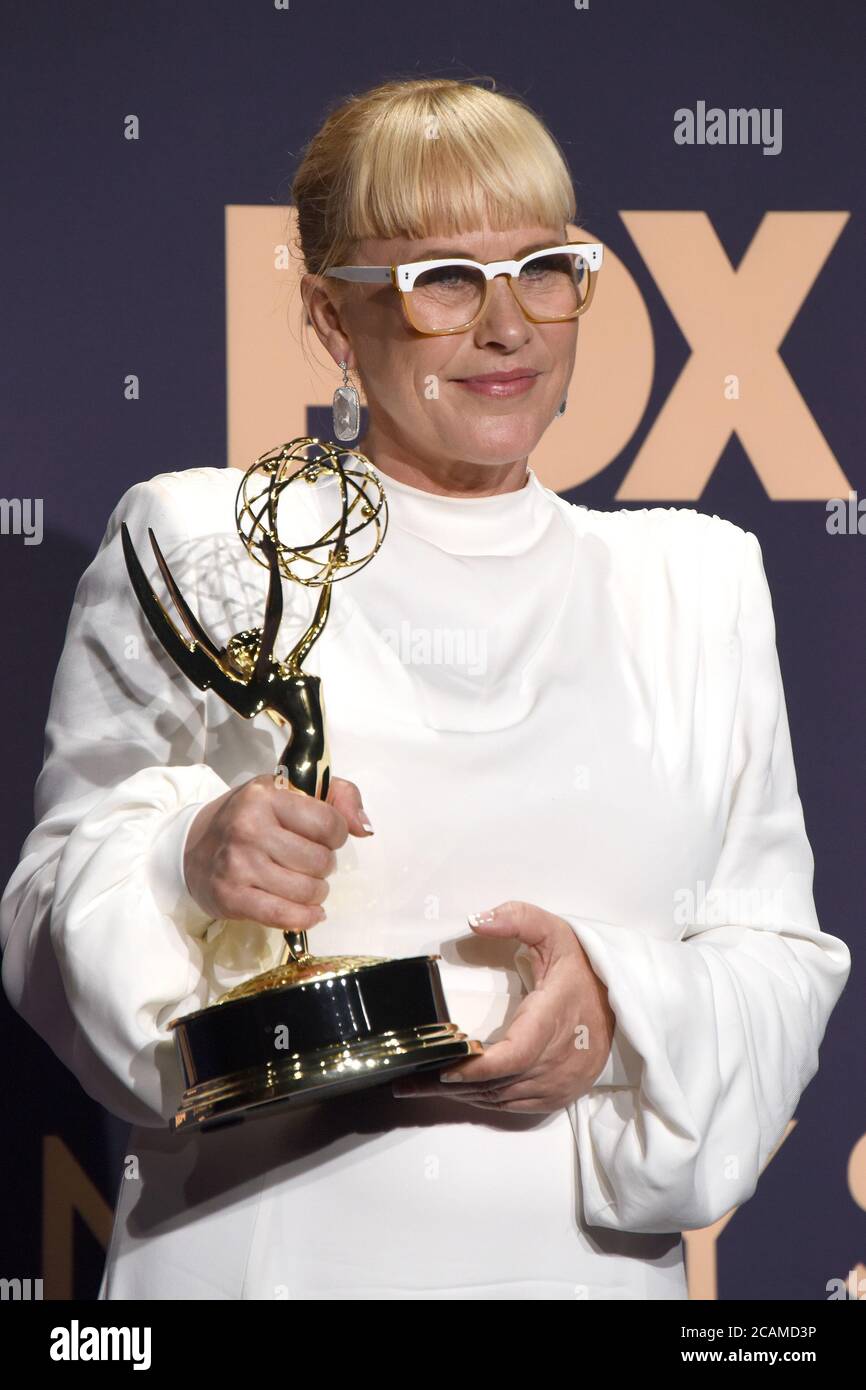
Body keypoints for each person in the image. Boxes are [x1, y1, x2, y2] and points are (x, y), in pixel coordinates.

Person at [0, 76, 851, 1301]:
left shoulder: (694, 582)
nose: (507, 328)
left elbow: (775, 954)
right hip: (259, 1262)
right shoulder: (203, 543)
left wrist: (614, 1010)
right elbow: (39, 923)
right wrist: (183, 859)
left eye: (543, 268)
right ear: (332, 319)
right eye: (442, 278)